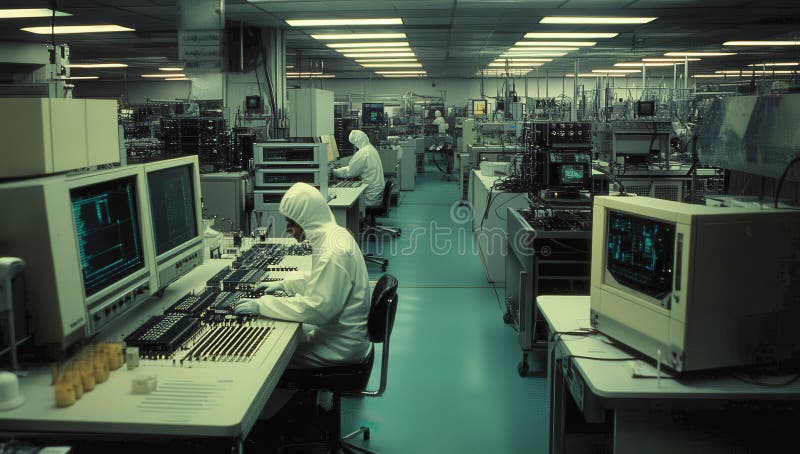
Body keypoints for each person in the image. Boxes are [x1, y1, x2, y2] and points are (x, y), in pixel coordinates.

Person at [234, 182, 371, 368]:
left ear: (307, 219)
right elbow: (323, 281)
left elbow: (319, 310)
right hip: (339, 335)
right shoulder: (334, 235)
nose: (289, 230)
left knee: (263, 357)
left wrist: (263, 305)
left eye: (291, 224)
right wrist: (286, 286)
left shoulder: (333, 251)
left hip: (338, 348)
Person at [332, 130, 385, 208]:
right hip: (376, 192)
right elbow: (355, 168)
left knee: (347, 199)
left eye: (354, 143)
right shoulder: (371, 149)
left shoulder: (363, 152)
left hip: (370, 196)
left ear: (357, 141)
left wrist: (334, 171)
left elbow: (350, 172)